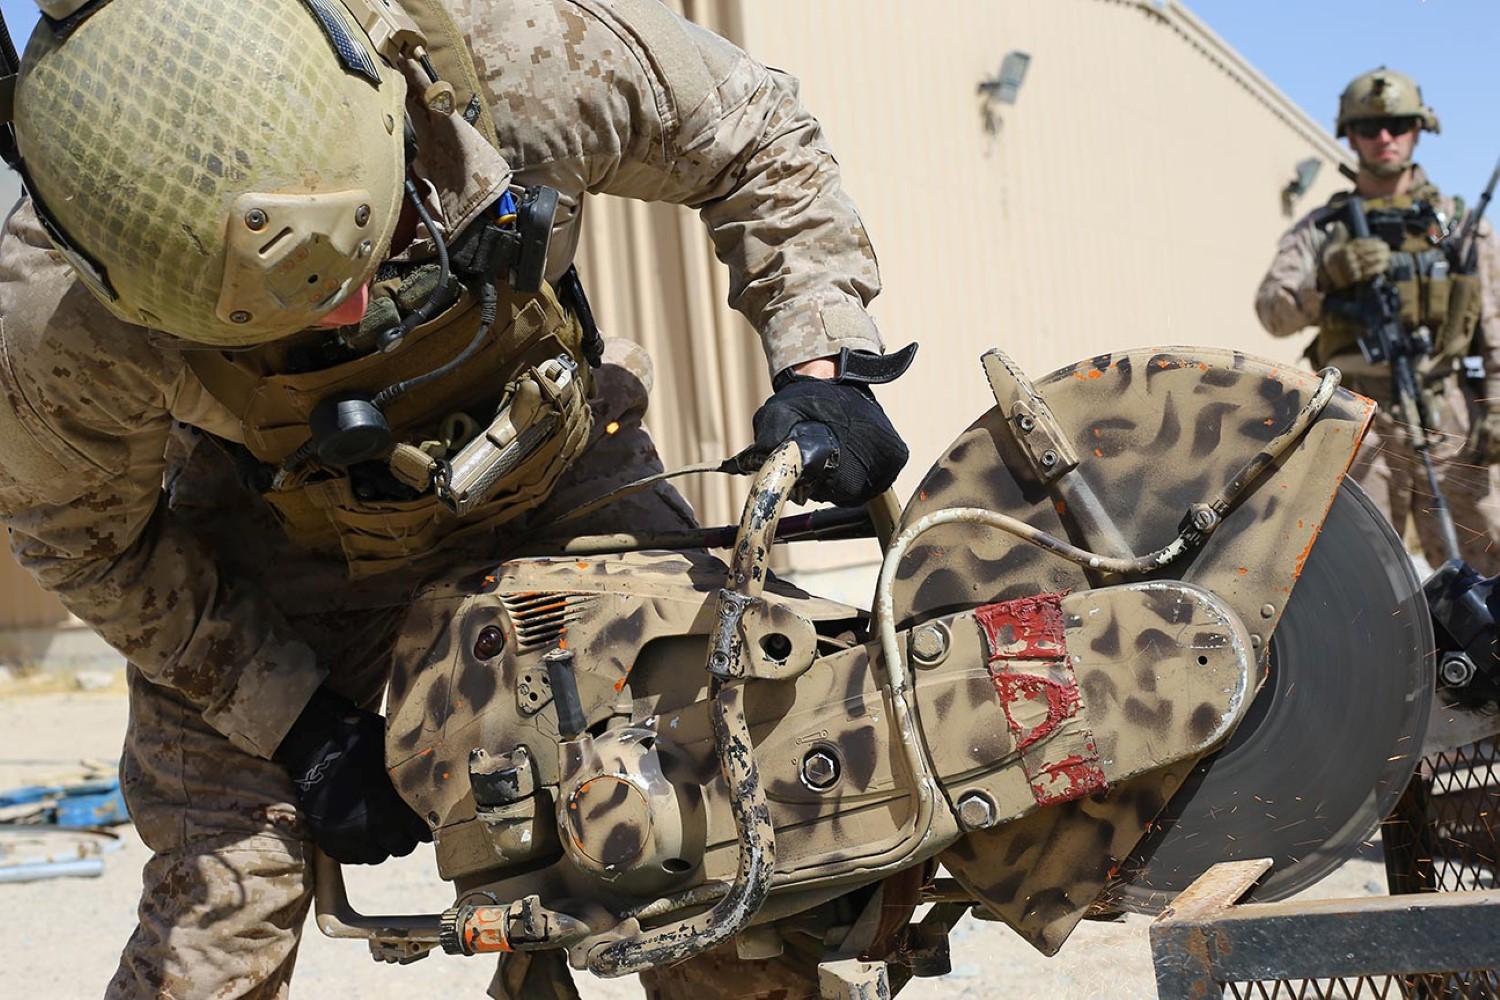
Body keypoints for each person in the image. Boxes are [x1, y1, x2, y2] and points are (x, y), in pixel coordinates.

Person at [0, 1, 912, 997]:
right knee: (226, 900)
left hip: (552, 455)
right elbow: (89, 543)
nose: (345, 312)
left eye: (367, 248)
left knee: (712, 795)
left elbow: (751, 132)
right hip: (278, 532)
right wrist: (294, 722)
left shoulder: (508, 55)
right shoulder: (53, 314)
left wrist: (823, 363)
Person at [1255, 67, 1500, 575]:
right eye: (1368, 128)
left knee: (1486, 553)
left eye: (1398, 125)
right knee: (1364, 571)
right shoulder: (1323, 229)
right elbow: (1271, 313)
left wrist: (1496, 407)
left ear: (1419, 129)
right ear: (1350, 134)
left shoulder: (1457, 225)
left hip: (1445, 411)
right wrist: (1326, 278)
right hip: (1357, 417)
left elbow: (1494, 322)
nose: (1383, 138)